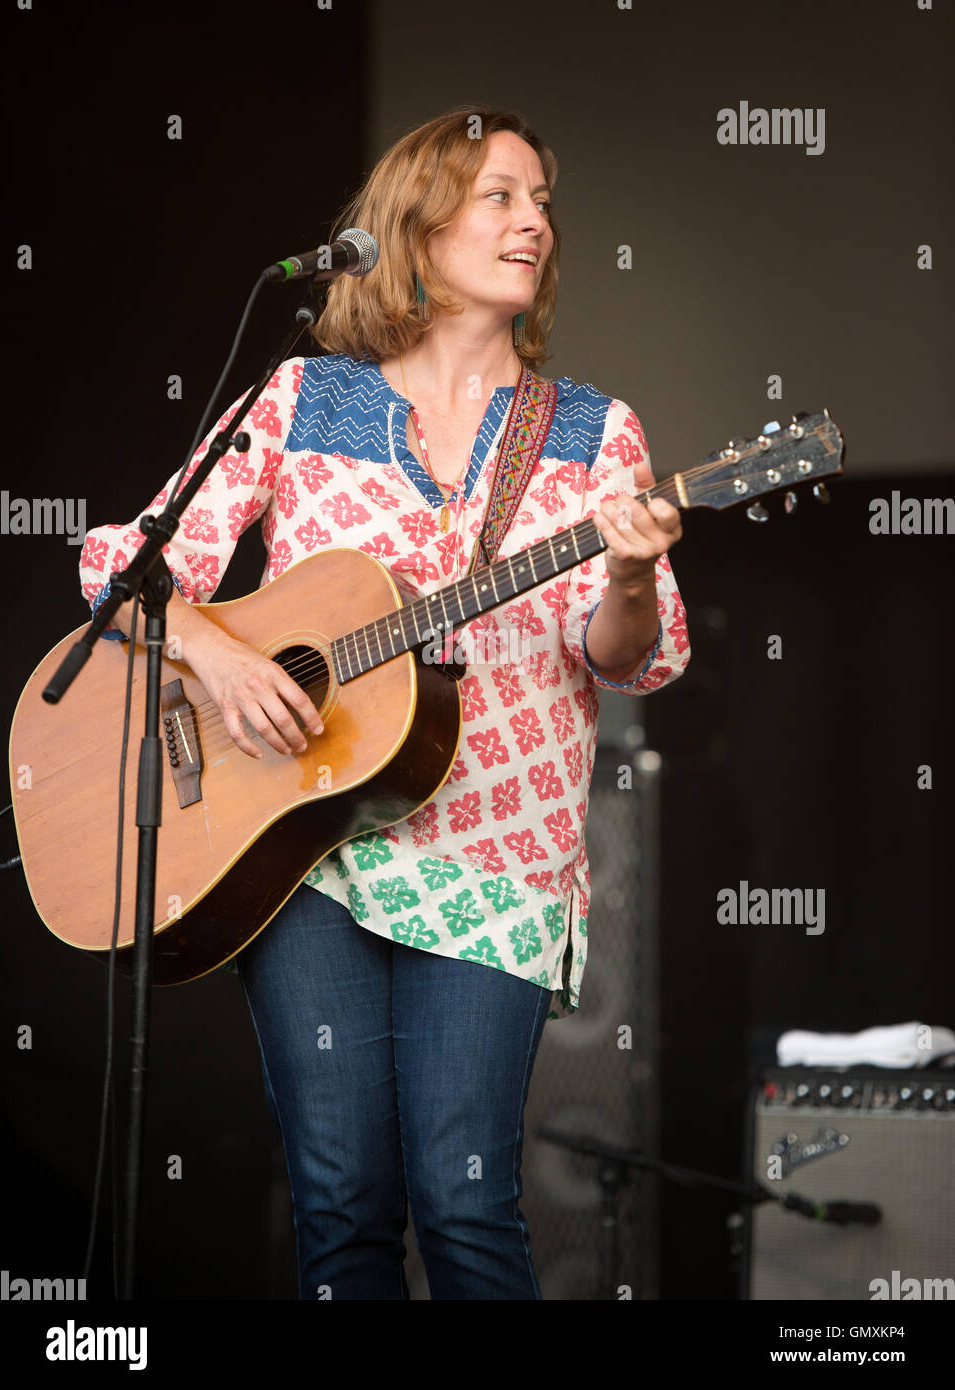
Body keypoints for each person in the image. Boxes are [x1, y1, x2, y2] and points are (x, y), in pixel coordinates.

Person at [78, 105, 690, 1300]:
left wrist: (623, 569)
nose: (534, 223)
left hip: (496, 853)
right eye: (501, 196)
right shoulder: (300, 401)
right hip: (301, 845)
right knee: (339, 1200)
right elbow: (125, 565)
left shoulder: (587, 433)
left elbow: (623, 656)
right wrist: (218, 659)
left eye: (542, 203)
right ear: (415, 224)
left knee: (464, 1203)